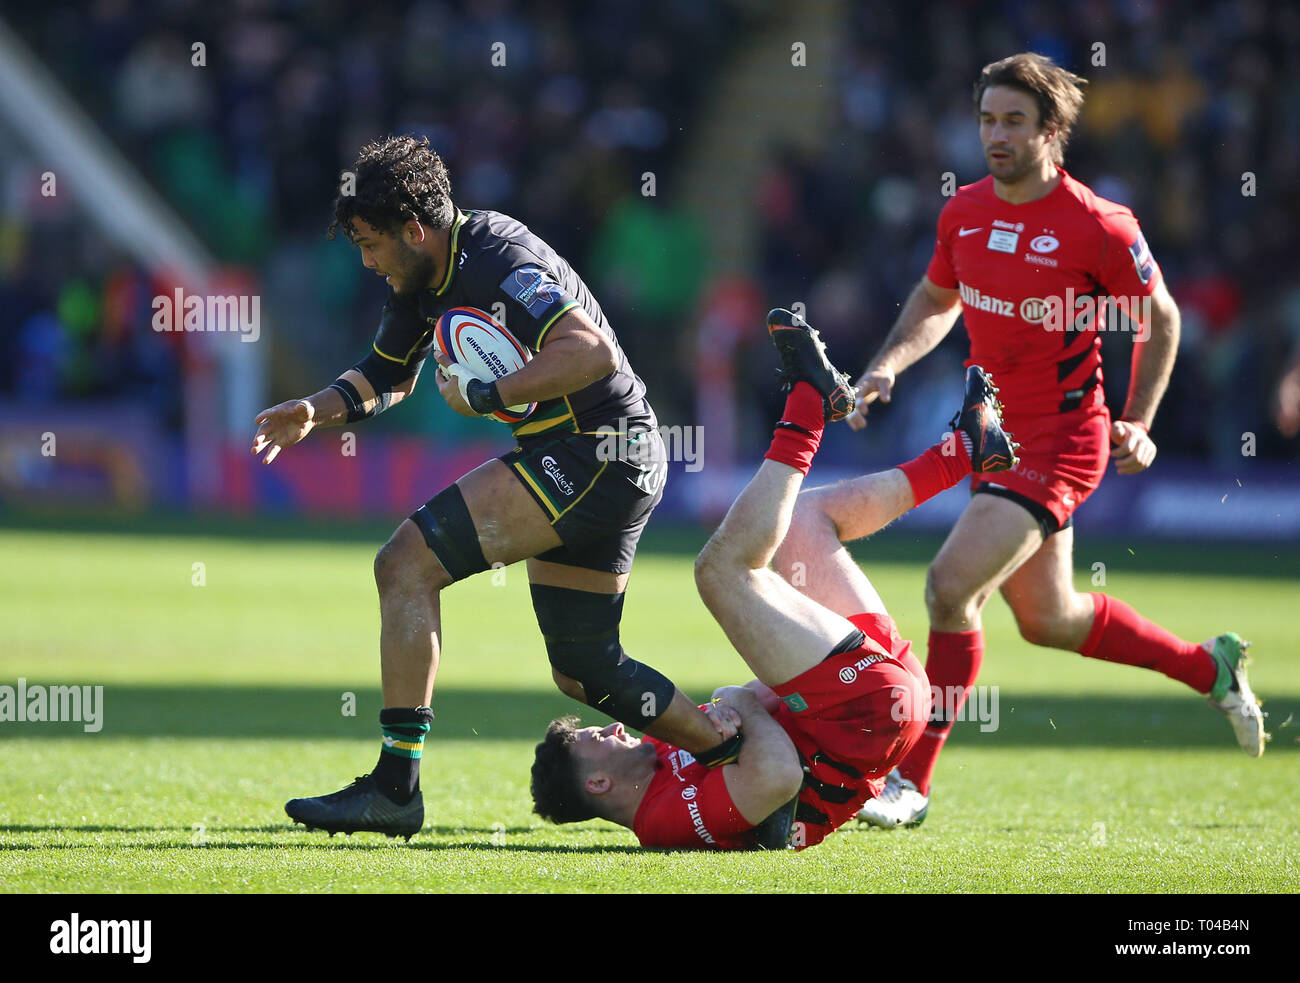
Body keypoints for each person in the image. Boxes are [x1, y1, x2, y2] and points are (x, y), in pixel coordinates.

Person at [821, 53, 1266, 830]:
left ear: (1051, 130)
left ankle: (912, 784)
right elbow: (935, 296)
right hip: (990, 435)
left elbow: (1161, 318)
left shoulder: (1097, 224)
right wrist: (886, 365)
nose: (995, 135)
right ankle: (1210, 665)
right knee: (1049, 618)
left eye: (1014, 121)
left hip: (1063, 441)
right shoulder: (962, 212)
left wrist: (1141, 419)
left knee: (949, 588)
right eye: (988, 119)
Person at [253, 135, 739, 839]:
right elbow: (387, 374)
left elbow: (588, 351)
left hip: (600, 450)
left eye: (370, 244)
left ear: (413, 230)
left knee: (404, 563)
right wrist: (312, 410)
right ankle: (731, 754)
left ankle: (396, 787)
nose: (365, 261)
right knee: (583, 668)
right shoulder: (422, 280)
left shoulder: (498, 262)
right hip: (594, 458)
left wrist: (487, 393)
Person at [529, 309, 1019, 849]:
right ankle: (809, 400)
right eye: (597, 738)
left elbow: (761, 711)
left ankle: (964, 452)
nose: (615, 726)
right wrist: (735, 699)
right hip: (865, 717)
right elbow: (777, 776)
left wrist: (748, 700)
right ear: (598, 784)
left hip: (863, 692)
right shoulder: (661, 822)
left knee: (800, 524)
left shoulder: (662, 751)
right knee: (719, 572)